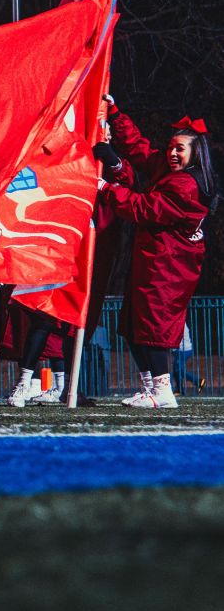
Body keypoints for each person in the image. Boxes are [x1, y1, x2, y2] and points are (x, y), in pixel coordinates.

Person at [98, 103, 217, 409]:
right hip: (152, 262)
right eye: (171, 147)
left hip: (167, 268)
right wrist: (115, 115)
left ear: (196, 153)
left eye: (180, 149)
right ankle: (152, 388)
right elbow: (140, 149)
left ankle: (162, 391)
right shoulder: (169, 170)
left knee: (151, 327)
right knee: (131, 327)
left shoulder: (187, 186)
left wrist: (106, 189)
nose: (172, 153)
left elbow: (144, 208)